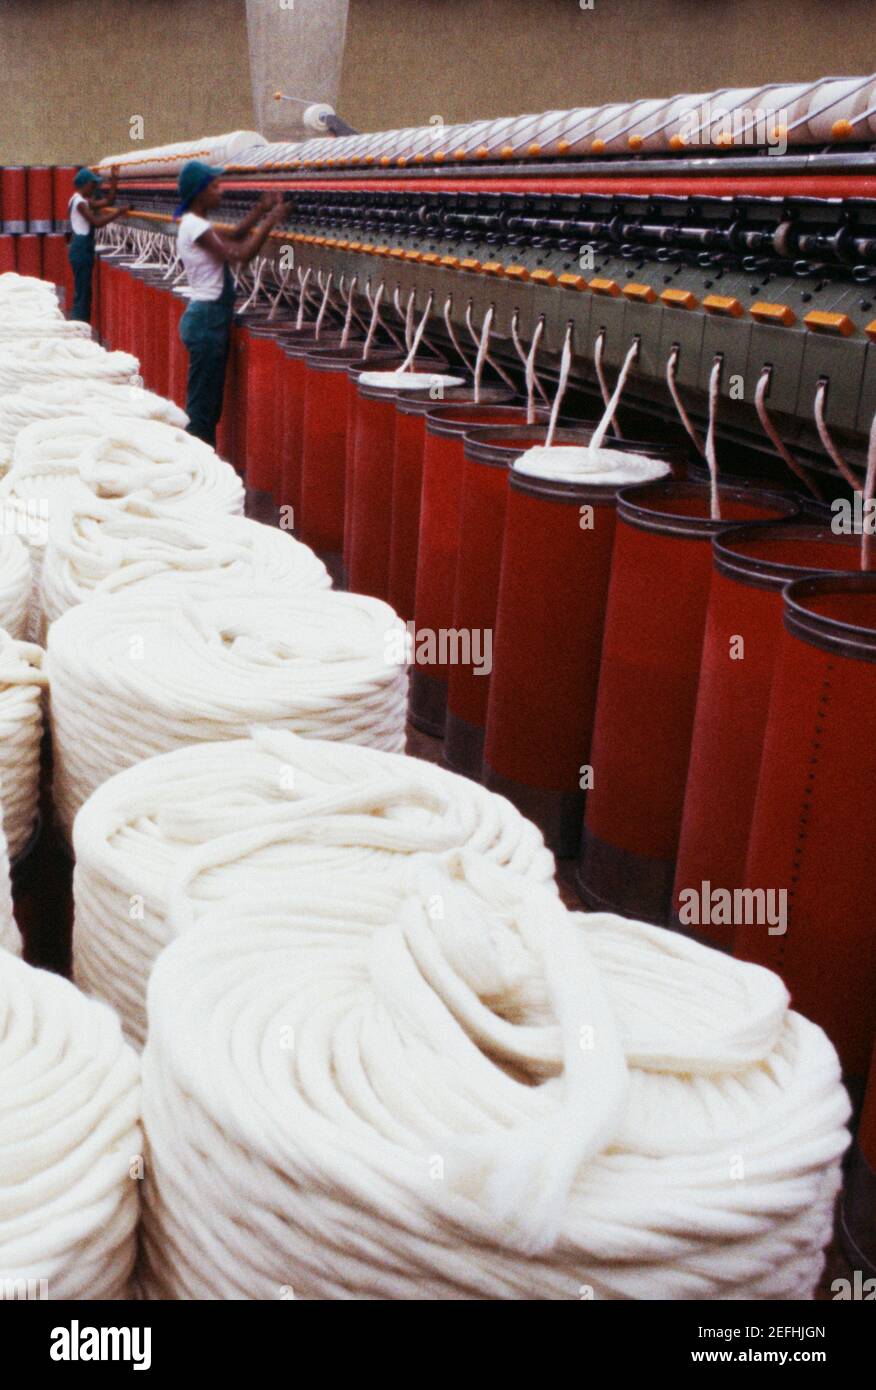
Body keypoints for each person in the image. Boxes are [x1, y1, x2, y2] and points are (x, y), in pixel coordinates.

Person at [174, 160, 286, 448]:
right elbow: (242, 254)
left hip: (206, 319)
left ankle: (203, 463)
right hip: (206, 320)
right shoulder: (195, 226)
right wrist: (272, 219)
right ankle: (200, 470)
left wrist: (260, 210)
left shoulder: (194, 223)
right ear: (199, 193)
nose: (220, 192)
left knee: (208, 403)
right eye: (214, 186)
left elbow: (235, 235)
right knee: (202, 409)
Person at [67, 166, 129, 323]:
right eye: (93, 185)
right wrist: (118, 212)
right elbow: (96, 222)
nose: (95, 188)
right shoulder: (80, 203)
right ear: (85, 184)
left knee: (85, 291)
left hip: (83, 249)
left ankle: (81, 323)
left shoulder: (81, 200)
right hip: (81, 250)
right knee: (82, 291)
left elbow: (109, 201)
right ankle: (79, 324)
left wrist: (115, 179)